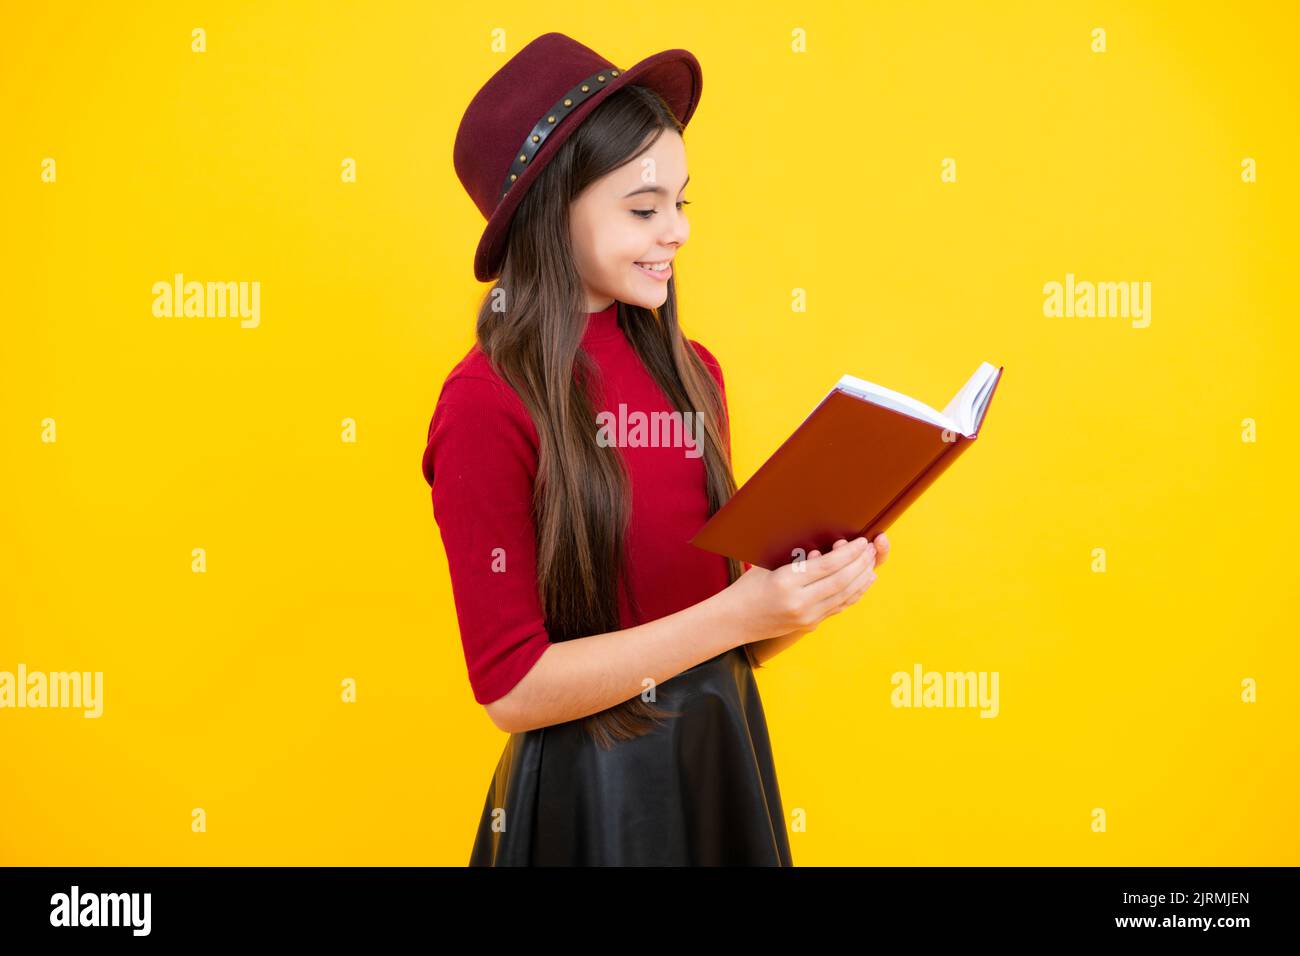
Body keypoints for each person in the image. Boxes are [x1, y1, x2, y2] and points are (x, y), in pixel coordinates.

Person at [422, 32, 888, 865]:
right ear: (548, 211)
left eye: (682, 204)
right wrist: (736, 614)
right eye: (643, 209)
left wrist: (799, 597)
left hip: (718, 766)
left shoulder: (691, 372)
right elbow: (512, 686)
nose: (675, 232)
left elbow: (719, 632)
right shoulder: (485, 404)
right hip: (588, 806)